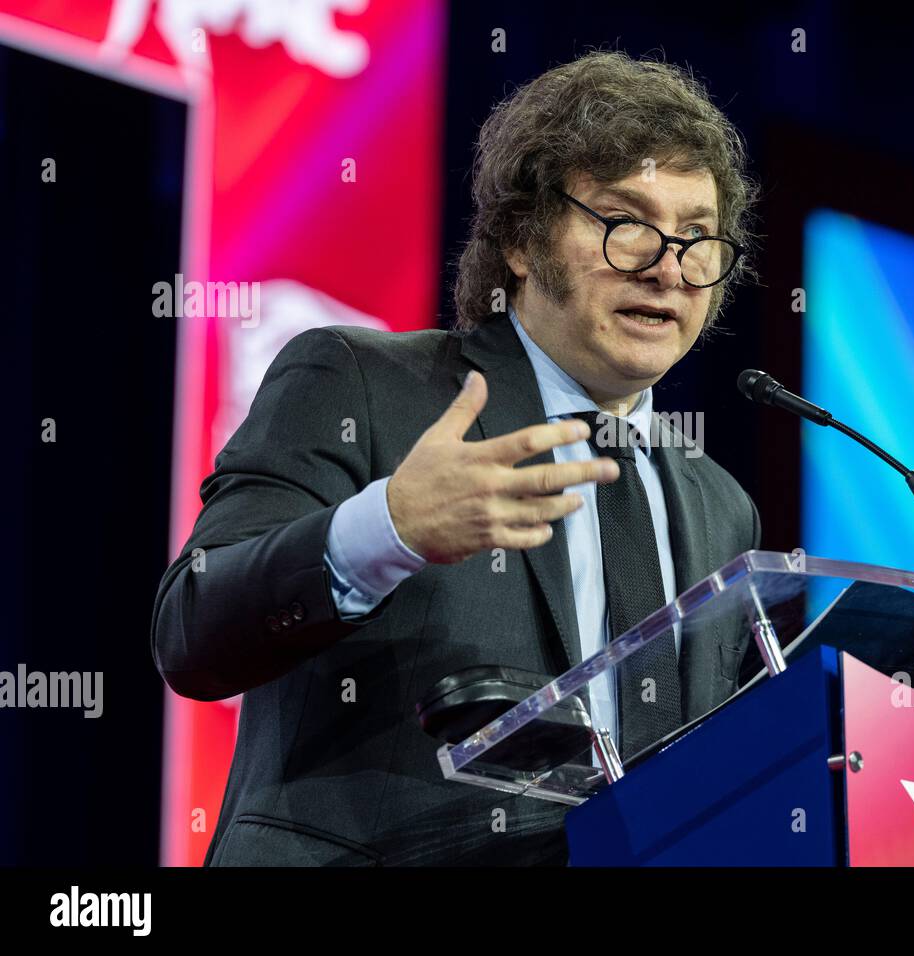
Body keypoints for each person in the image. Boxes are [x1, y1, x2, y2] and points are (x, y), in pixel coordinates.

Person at [151, 50, 761, 866]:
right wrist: (386, 528)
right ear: (520, 237)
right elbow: (191, 631)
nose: (666, 265)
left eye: (695, 237)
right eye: (624, 222)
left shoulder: (722, 507)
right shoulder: (358, 382)